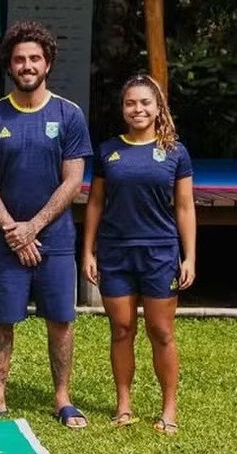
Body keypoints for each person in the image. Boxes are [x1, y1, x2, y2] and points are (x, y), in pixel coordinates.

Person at [0, 20, 92, 427]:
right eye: (20, 59)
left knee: (60, 320)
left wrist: (32, 228)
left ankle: (62, 398)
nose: (27, 65)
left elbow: (73, 180)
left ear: (48, 63)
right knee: (1, 320)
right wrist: (14, 232)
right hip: (4, 240)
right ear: (10, 65)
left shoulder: (69, 115)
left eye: (35, 58)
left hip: (54, 239)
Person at [81, 74, 196, 435]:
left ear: (158, 107)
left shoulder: (175, 152)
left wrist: (188, 255)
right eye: (131, 103)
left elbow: (185, 206)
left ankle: (169, 410)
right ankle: (124, 405)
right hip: (115, 253)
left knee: (161, 331)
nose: (138, 109)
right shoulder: (108, 151)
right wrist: (88, 251)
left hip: (160, 253)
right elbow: (96, 202)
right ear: (123, 108)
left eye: (145, 102)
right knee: (122, 329)